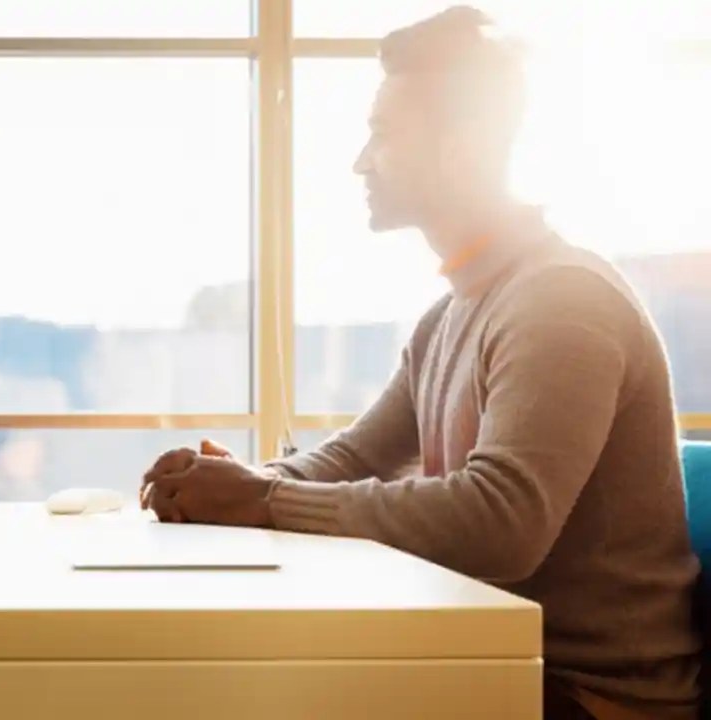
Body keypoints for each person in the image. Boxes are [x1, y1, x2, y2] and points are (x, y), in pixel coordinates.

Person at [140, 7, 701, 719]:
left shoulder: (562, 301)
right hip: (499, 661)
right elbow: (353, 456)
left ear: (459, 147)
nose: (360, 161)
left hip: (589, 698)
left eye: (382, 133)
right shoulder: (454, 312)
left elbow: (501, 522)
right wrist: (235, 483)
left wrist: (259, 500)